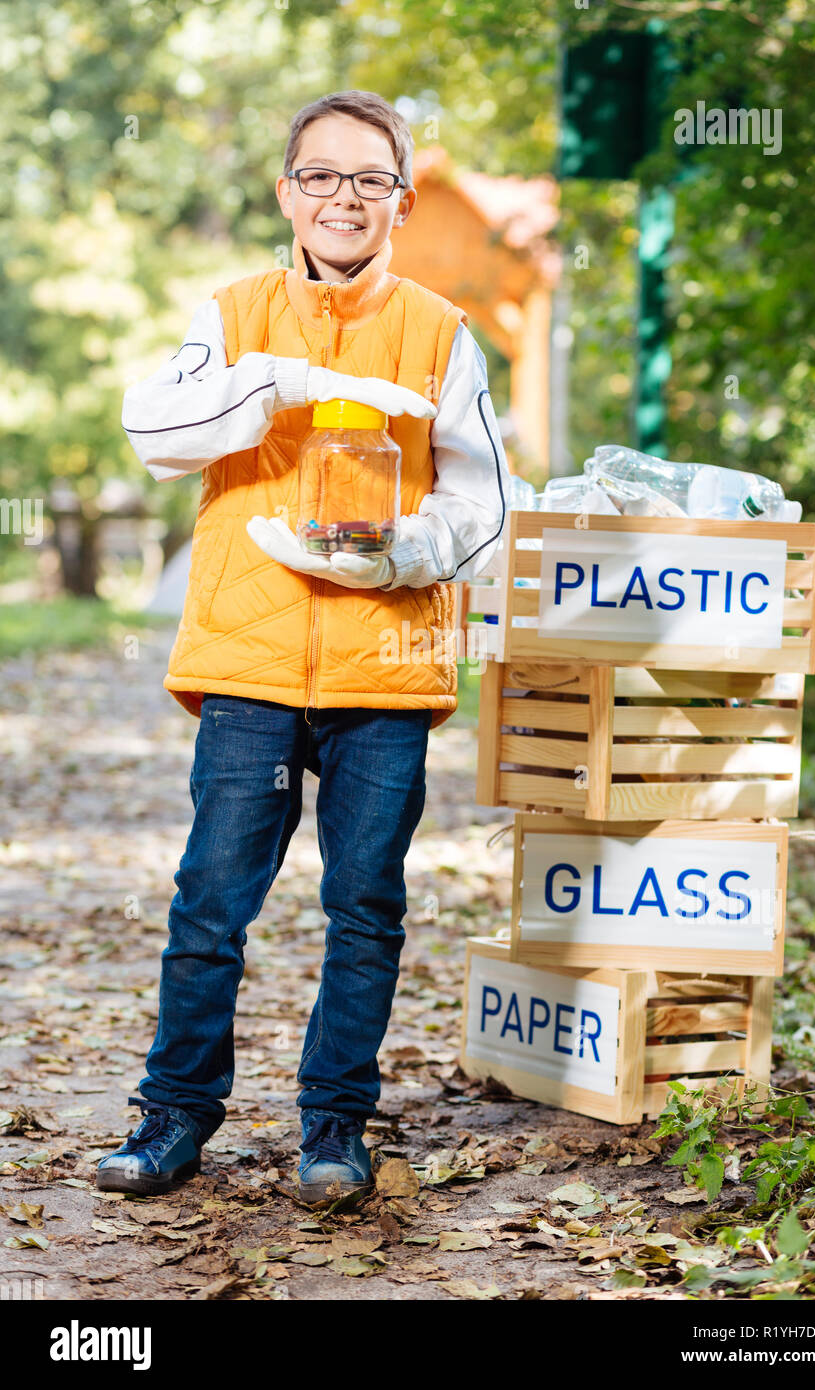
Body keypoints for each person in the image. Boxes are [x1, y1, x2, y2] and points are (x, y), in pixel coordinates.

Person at [97, 89, 507, 1202]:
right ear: (286, 192)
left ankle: (334, 1130)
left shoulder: (438, 331)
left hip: (386, 662)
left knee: (364, 904)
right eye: (319, 175)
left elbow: (482, 500)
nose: (342, 196)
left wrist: (404, 553)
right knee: (210, 903)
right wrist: (273, 381)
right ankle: (172, 1119)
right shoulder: (229, 313)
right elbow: (154, 435)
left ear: (401, 201)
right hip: (249, 662)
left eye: (368, 179)